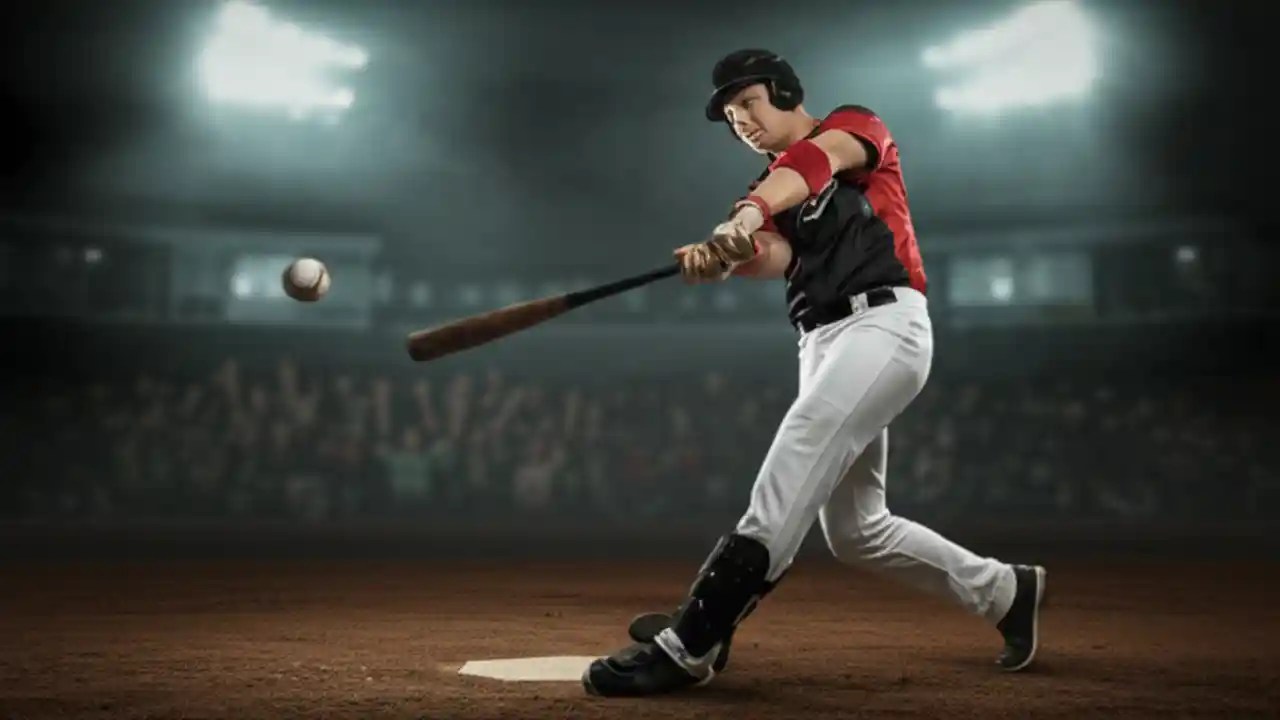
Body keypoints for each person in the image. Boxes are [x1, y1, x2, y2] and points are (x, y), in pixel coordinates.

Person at [582, 49, 1047, 698]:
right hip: (824, 343)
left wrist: (743, 217)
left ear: (785, 91)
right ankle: (1004, 590)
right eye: (729, 115)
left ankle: (694, 640)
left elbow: (812, 164)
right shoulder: (765, 192)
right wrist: (722, 258)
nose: (740, 120)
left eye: (748, 102)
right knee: (857, 531)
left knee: (799, 449)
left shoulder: (853, 127)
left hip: (883, 325)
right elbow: (773, 255)